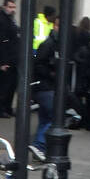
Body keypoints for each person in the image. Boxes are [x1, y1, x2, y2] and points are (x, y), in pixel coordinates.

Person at [31, 18, 59, 158]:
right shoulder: (50, 44)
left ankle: (39, 147)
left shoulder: (55, 44)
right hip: (45, 86)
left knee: (45, 119)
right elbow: (38, 64)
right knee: (51, 118)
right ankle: (39, 146)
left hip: (46, 86)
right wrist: (52, 73)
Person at [0, 0, 19, 118]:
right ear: (4, 7)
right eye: (10, 7)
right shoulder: (1, 20)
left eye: (14, 7)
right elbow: (1, 41)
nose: (12, 9)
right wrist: (2, 62)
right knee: (3, 85)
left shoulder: (10, 19)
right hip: (4, 58)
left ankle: (7, 108)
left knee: (11, 84)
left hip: (12, 58)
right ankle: (0, 109)